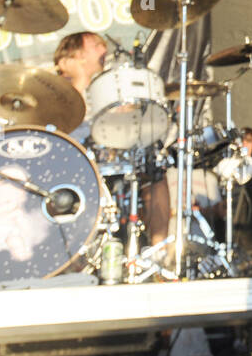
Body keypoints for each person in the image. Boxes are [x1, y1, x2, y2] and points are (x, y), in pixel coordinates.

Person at [54, 31, 172, 249]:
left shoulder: (105, 87)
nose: (104, 50)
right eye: (97, 45)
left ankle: (159, 249)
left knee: (154, 166)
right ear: (75, 54)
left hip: (109, 153)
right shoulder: (54, 88)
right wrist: (79, 78)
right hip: (73, 158)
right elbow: (61, 124)